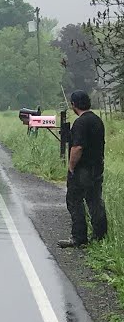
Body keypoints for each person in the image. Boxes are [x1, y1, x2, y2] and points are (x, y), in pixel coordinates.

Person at [59, 90, 110, 248]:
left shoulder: (80, 123)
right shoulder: (97, 120)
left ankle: (78, 237)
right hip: (97, 166)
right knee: (95, 201)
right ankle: (100, 236)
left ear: (74, 105)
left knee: (74, 200)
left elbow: (77, 147)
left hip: (82, 169)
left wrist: (71, 167)